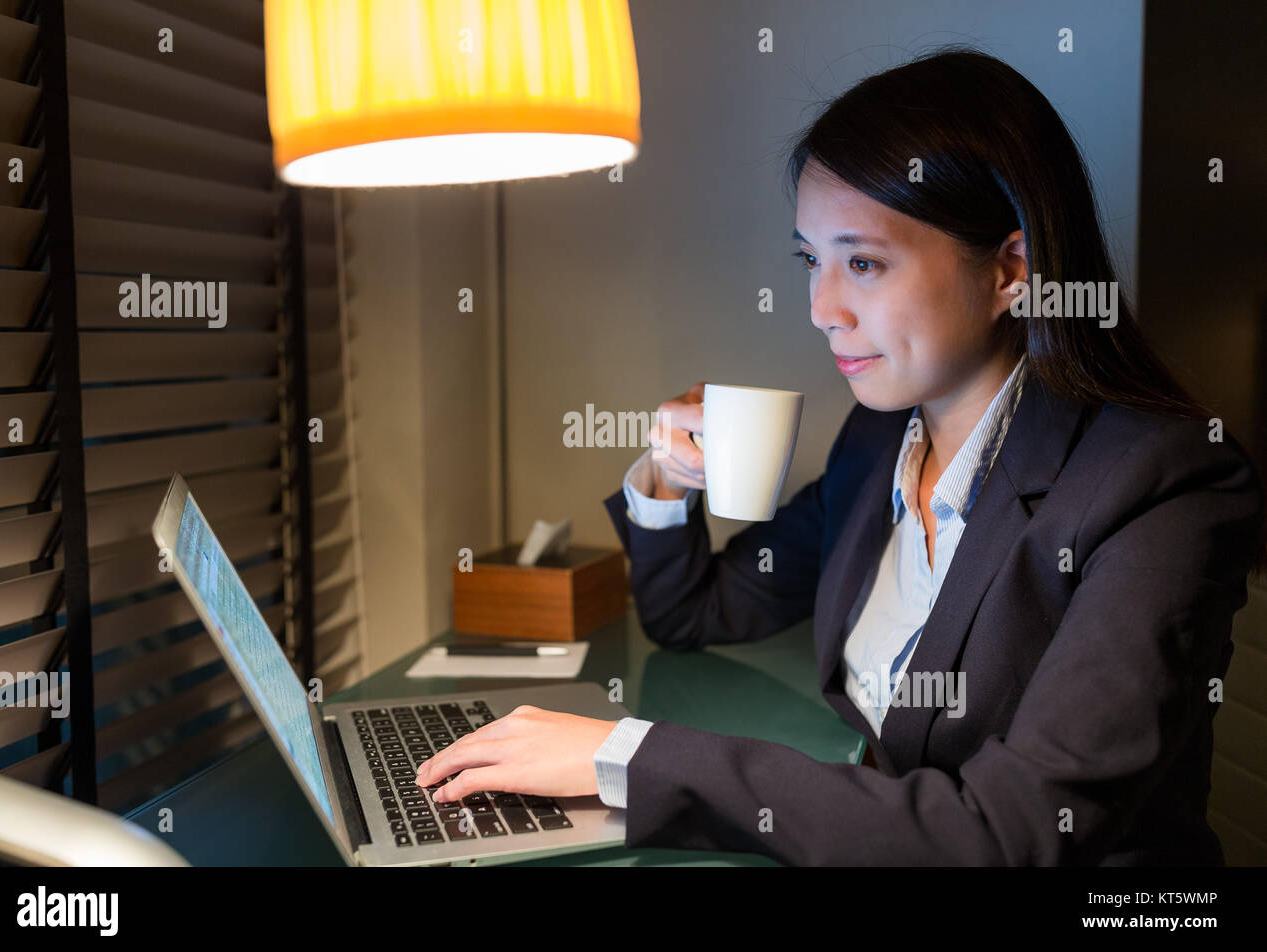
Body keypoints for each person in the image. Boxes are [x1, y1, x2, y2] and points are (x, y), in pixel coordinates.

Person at [414, 48, 1265, 865]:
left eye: (862, 262)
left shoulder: (1166, 485)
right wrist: (665, 478)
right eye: (810, 261)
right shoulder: (877, 442)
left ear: (1013, 270)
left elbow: (1014, 834)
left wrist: (632, 761)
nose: (822, 308)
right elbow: (694, 616)